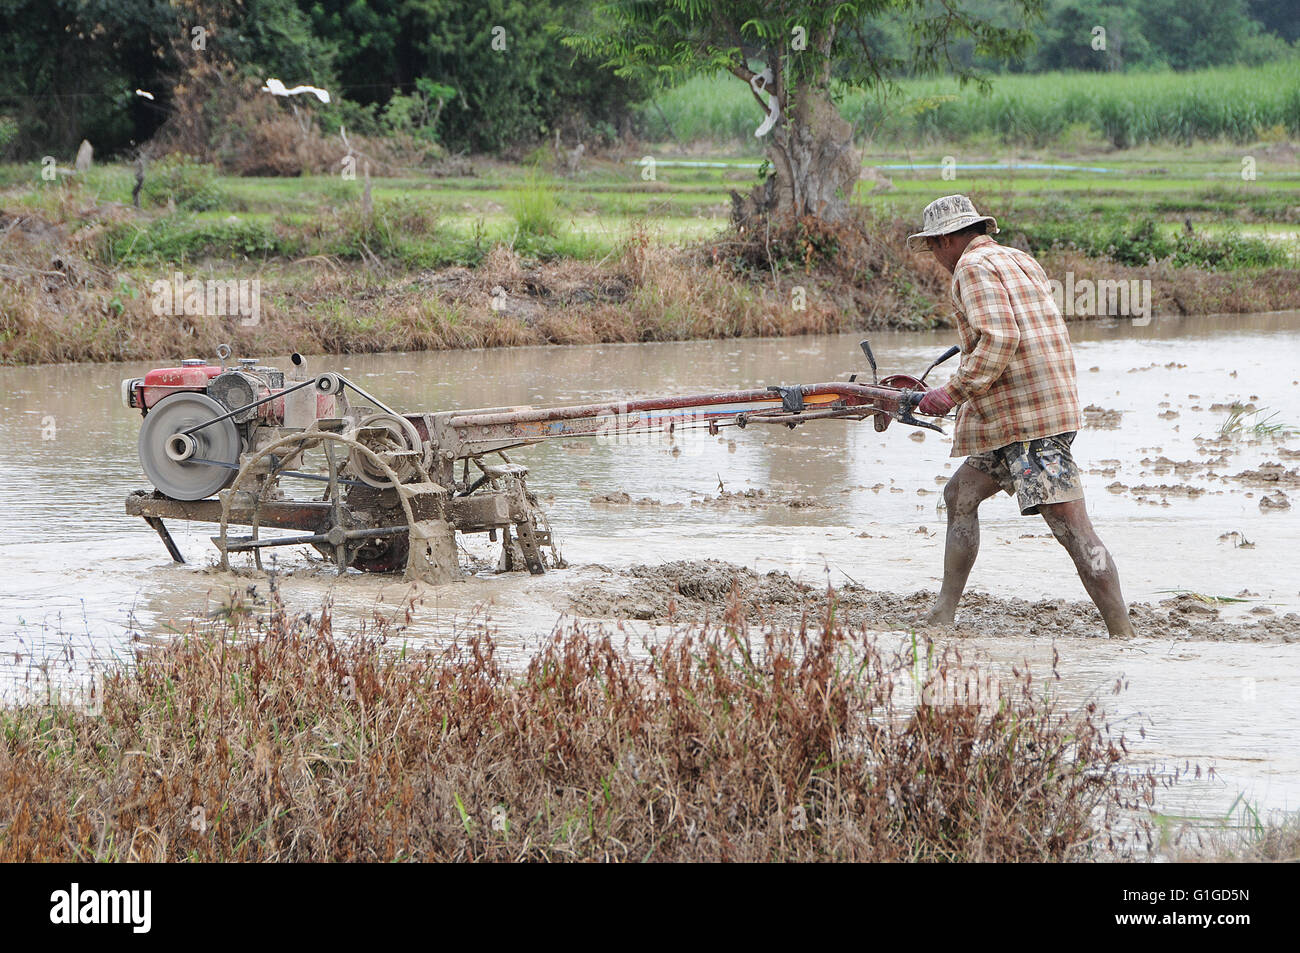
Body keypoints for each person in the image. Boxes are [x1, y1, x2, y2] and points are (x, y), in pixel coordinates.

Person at [906, 194, 1136, 638]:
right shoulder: (1018, 259)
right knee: (961, 496)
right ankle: (943, 615)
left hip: (1031, 424)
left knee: (1073, 530)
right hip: (1024, 413)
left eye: (934, 245)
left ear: (951, 238)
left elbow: (1000, 337)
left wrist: (949, 394)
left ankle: (1123, 636)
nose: (934, 256)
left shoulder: (970, 269)